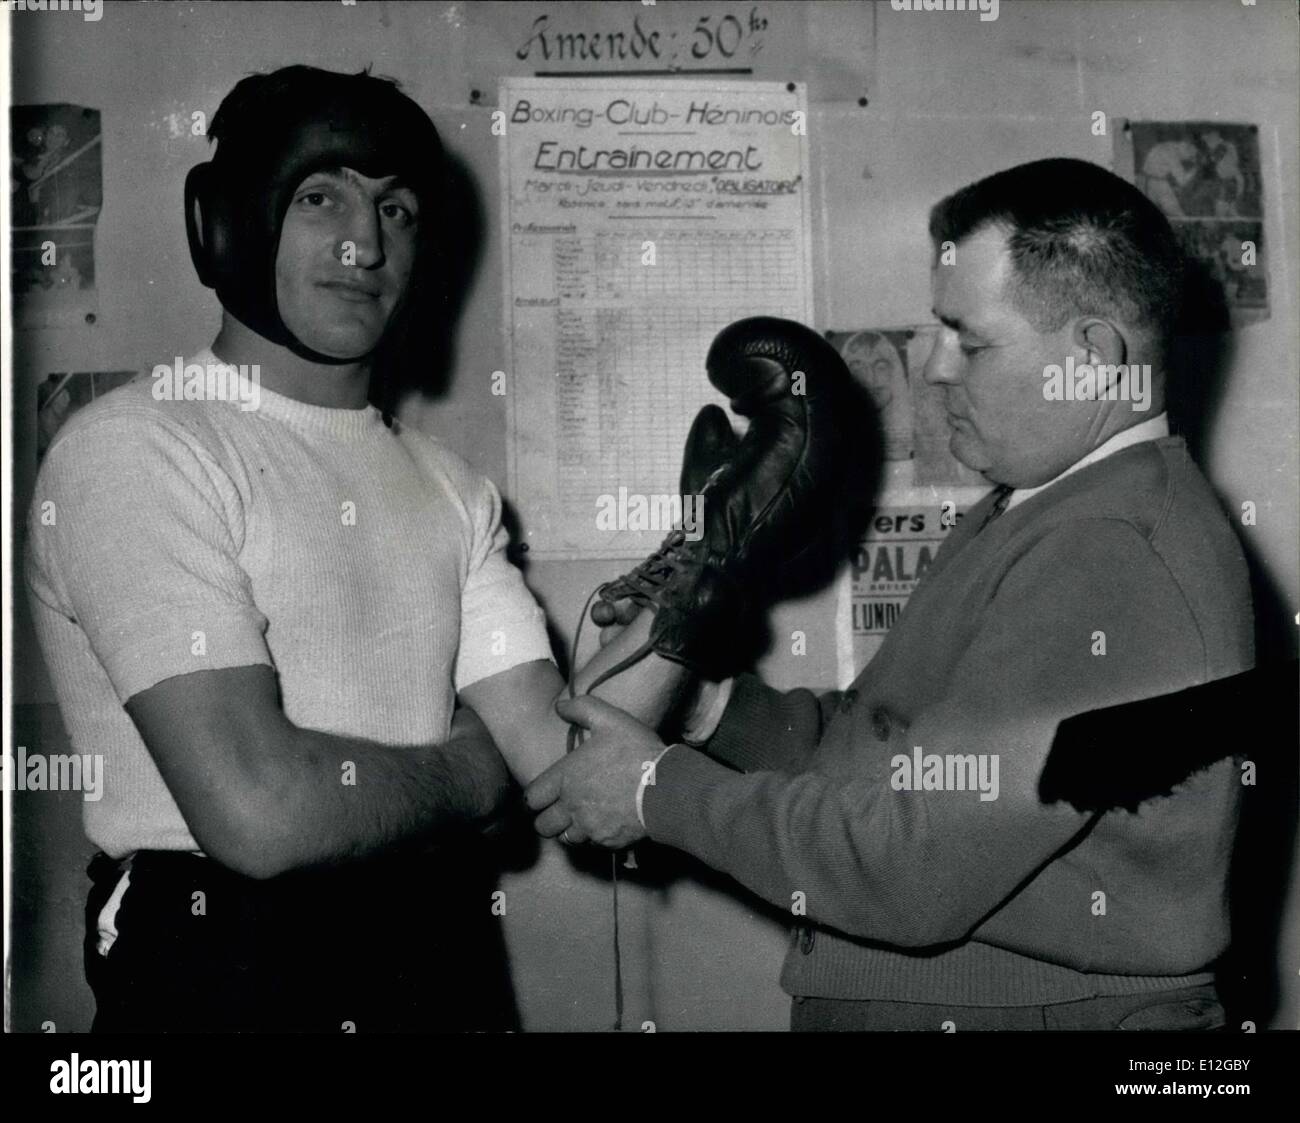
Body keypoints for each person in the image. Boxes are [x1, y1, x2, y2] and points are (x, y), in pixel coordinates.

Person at [22, 64, 705, 1033]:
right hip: (222, 961)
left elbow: (557, 760)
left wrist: (705, 589)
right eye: (319, 198)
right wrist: (474, 777)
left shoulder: (447, 486)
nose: (363, 241)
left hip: (434, 951)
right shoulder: (139, 448)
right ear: (220, 223)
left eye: (396, 208)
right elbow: (260, 813)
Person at [526, 157, 1255, 1031]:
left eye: (969, 339)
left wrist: (655, 792)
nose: (933, 366)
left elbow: (910, 868)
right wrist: (706, 712)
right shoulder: (1037, 510)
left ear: (1093, 359)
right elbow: (901, 753)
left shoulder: (1111, 554)